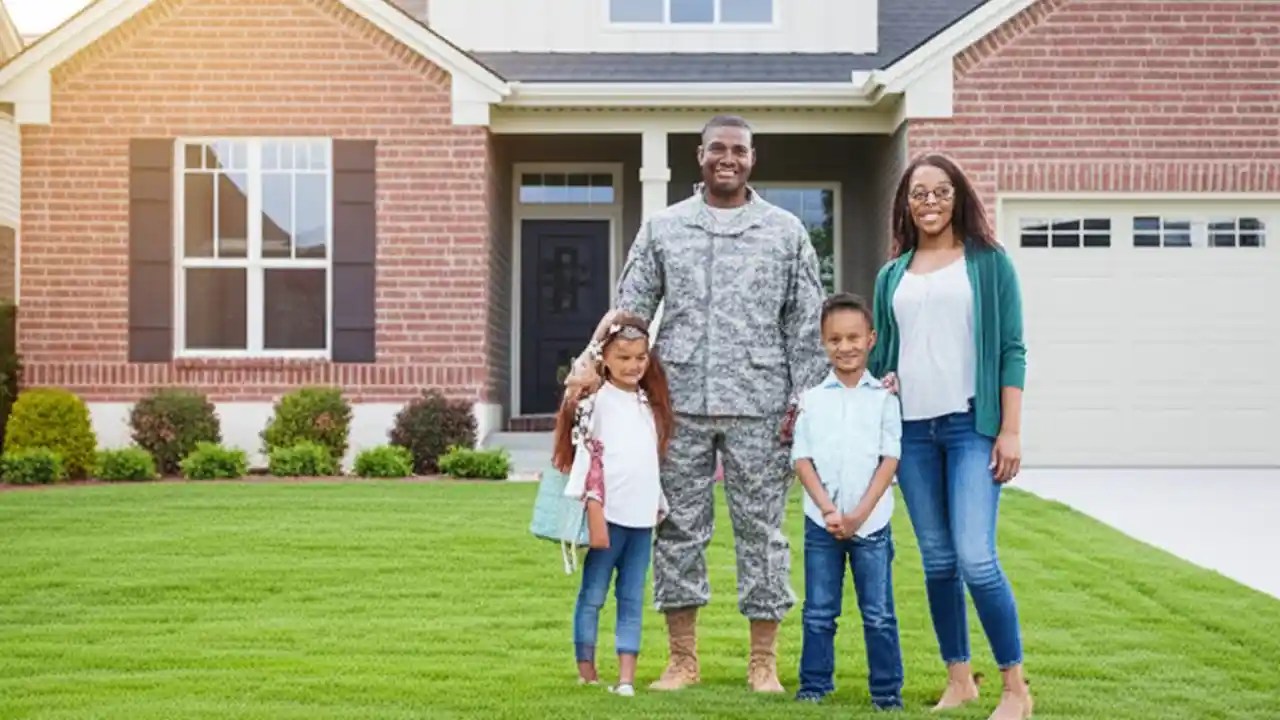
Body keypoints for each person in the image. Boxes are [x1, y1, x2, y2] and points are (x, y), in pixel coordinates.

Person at [565, 114, 828, 693]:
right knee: (679, 528)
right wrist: (590, 363)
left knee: (762, 533)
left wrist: (804, 404)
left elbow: (805, 327)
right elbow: (628, 311)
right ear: (700, 154)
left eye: (738, 150)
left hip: (763, 407)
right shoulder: (664, 229)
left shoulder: (785, 232)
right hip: (676, 405)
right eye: (717, 149)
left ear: (752, 158)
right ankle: (682, 659)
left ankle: (763, 662)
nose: (726, 158)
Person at [868, 153, 1034, 720]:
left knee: (975, 558)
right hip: (912, 431)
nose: (930, 202)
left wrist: (1009, 430)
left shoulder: (988, 264)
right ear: (906, 205)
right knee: (937, 561)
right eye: (919, 194)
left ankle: (1015, 688)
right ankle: (959, 679)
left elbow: (1012, 349)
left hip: (970, 427)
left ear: (958, 197)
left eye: (941, 192)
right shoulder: (893, 274)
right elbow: (886, 355)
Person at [551, 313, 675, 697]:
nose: (633, 365)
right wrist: (604, 328)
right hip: (607, 517)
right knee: (593, 594)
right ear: (606, 359)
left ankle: (625, 679)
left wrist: (656, 506)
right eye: (623, 358)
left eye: (640, 357)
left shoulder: (648, 404)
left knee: (632, 597)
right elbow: (588, 461)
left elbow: (647, 463)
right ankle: (586, 671)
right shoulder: (595, 403)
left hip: (641, 521)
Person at [791, 293, 904, 709]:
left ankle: (887, 692)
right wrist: (828, 510)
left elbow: (889, 459)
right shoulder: (813, 399)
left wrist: (858, 515)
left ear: (871, 339)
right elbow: (801, 458)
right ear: (823, 343)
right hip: (822, 523)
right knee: (819, 611)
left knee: (878, 613)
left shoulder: (884, 398)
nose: (845, 347)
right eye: (835, 339)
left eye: (853, 337)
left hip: (871, 525)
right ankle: (814, 686)